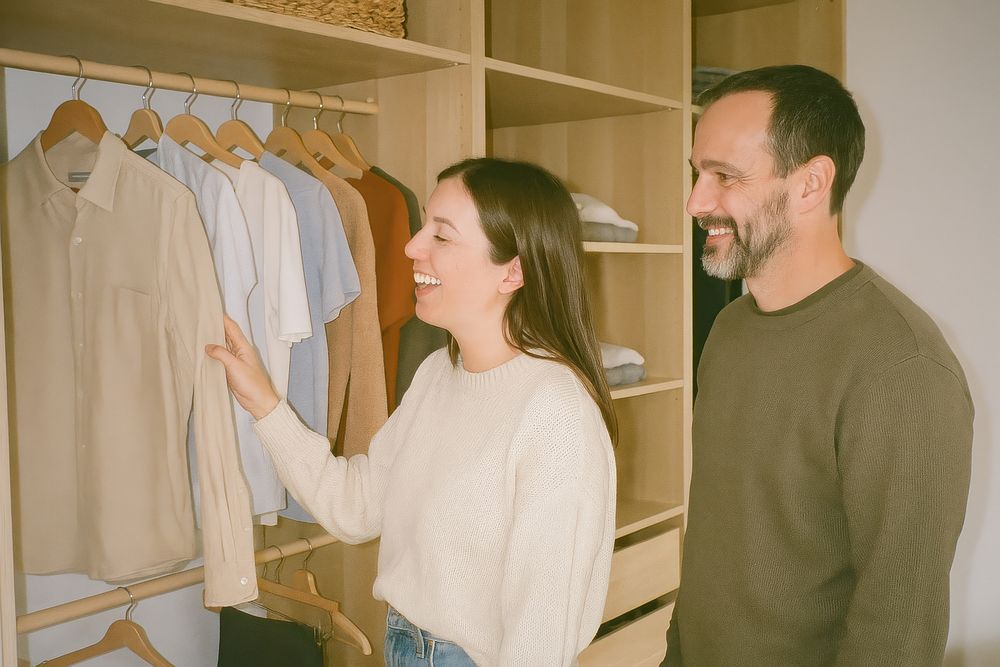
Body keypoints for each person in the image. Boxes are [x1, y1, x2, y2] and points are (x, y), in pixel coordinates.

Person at [207, 157, 618, 666]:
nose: (411, 247)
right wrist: (263, 402)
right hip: (404, 648)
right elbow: (356, 508)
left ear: (513, 270)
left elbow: (541, 636)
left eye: (441, 236)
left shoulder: (556, 413)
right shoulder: (435, 377)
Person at [664, 65, 974, 665]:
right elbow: (716, 546)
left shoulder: (902, 368)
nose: (696, 201)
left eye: (724, 176)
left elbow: (898, 630)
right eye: (697, 174)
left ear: (811, 184)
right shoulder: (730, 329)